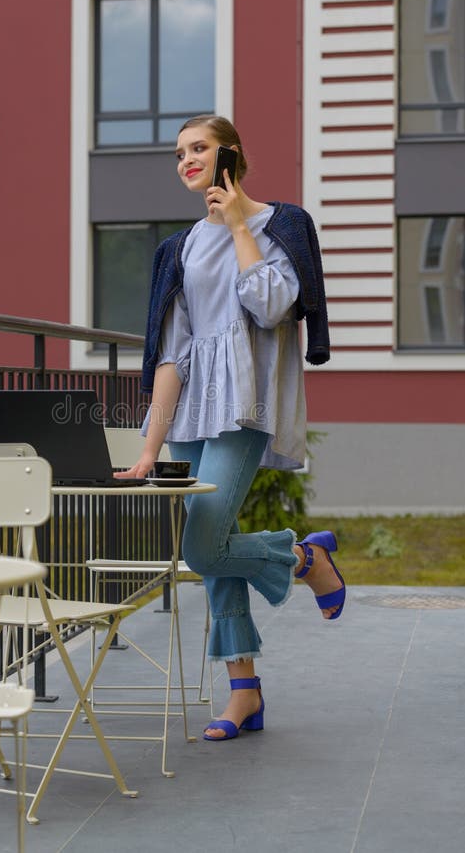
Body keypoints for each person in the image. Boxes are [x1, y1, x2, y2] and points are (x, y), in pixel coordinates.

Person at [116, 115, 345, 741]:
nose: (186, 161)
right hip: (191, 409)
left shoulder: (284, 224)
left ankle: (303, 555)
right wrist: (148, 448)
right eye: (179, 152)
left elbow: (273, 306)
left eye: (199, 149)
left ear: (230, 155)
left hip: (244, 403)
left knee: (201, 547)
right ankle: (244, 692)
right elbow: (171, 355)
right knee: (215, 556)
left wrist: (239, 221)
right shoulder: (180, 248)